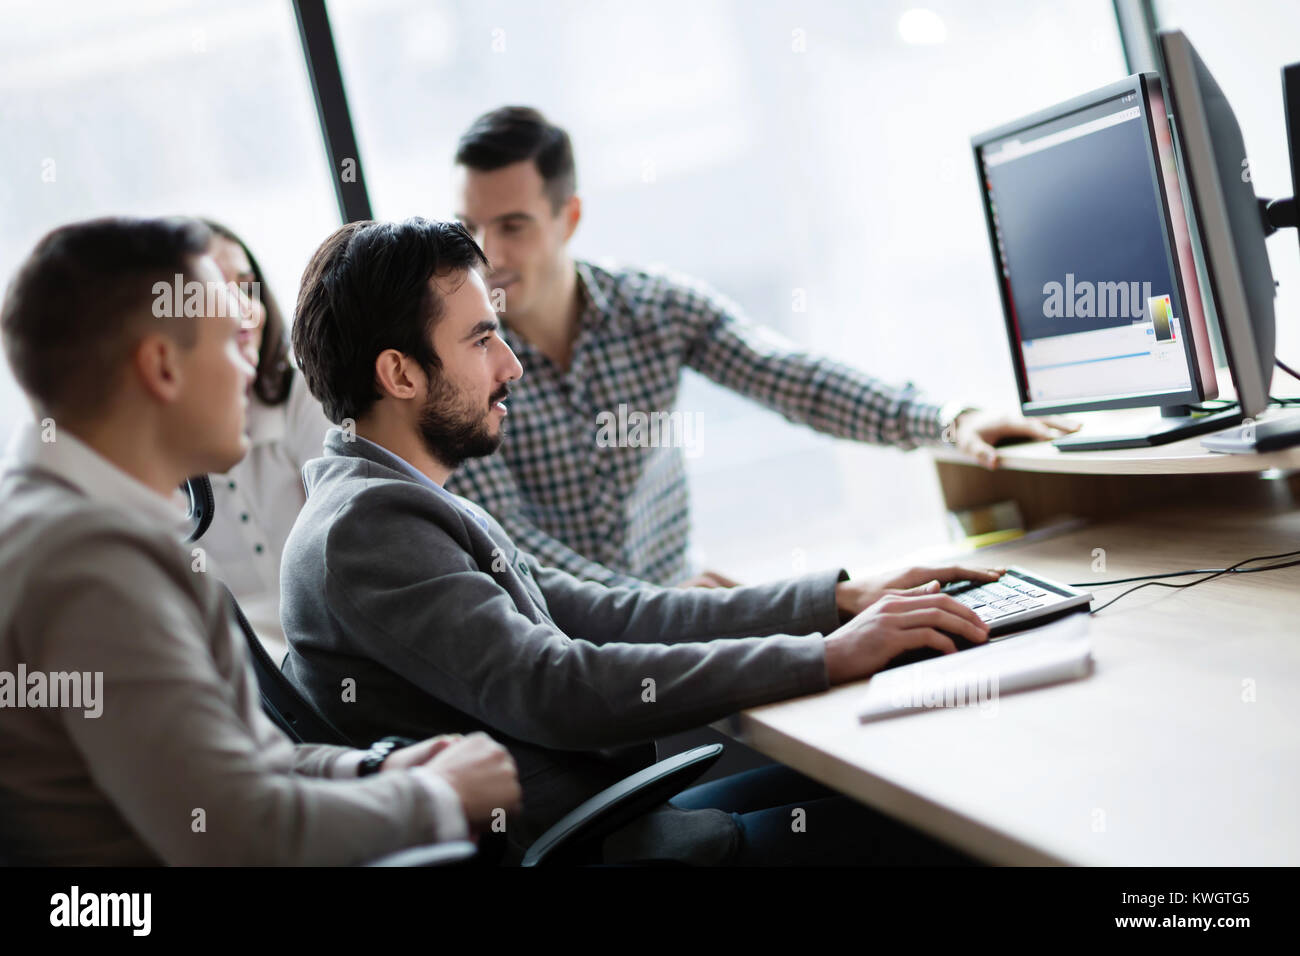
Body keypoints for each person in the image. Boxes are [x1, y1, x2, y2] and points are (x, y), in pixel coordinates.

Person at [282, 216, 1004, 866]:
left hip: (607, 823)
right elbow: (555, 687)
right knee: (940, 822)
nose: (511, 364)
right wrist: (830, 655)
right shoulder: (367, 530)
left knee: (899, 780)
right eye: (480, 339)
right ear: (400, 372)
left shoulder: (396, 498)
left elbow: (610, 612)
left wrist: (838, 601)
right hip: (594, 848)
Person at [0, 216, 520, 865]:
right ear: (161, 366)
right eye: (229, 340)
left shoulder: (93, 528)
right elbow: (232, 831)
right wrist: (436, 798)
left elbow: (233, 766)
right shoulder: (89, 569)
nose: (252, 363)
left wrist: (375, 772)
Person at [445, 106, 1081, 588]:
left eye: (513, 227)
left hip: (677, 636)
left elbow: (793, 378)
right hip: (573, 662)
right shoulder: (462, 361)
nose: (489, 254)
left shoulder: (655, 309)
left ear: (570, 218)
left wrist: (948, 419)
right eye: (471, 227)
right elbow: (510, 546)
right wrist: (667, 606)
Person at [198, 220, 334, 662]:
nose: (246, 310)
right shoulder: (153, 446)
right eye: (218, 292)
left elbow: (346, 549)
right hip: (240, 665)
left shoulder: (302, 397)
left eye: (246, 286)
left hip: (331, 644)